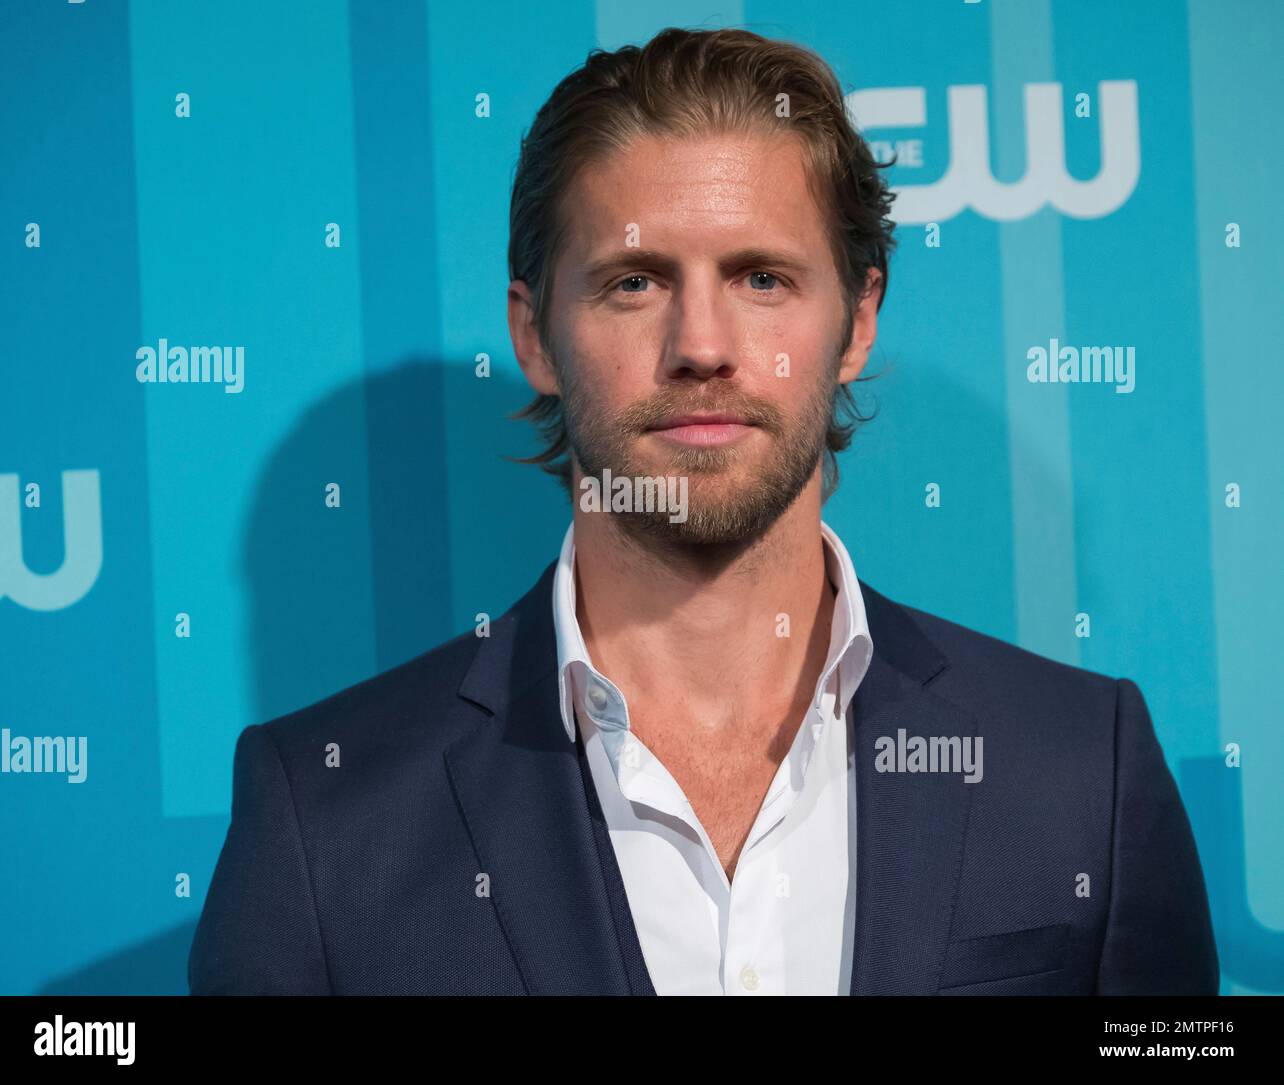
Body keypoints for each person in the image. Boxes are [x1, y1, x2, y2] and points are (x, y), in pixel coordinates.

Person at [189, 26, 1217, 995]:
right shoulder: (323, 822)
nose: (703, 344)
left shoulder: (1080, 768)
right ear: (535, 334)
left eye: (761, 277)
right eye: (633, 282)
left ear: (856, 320)